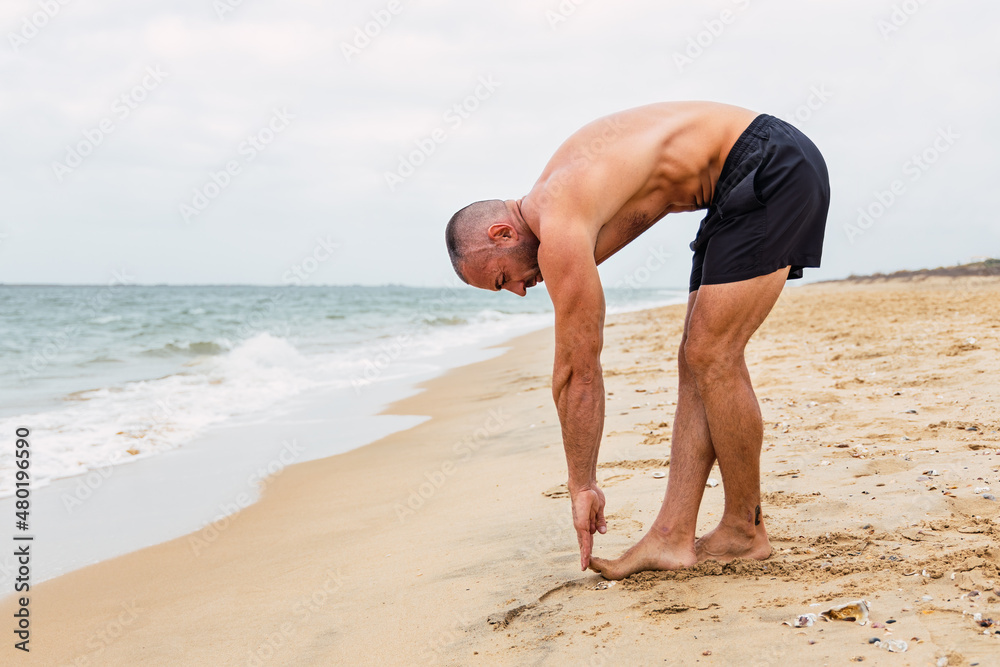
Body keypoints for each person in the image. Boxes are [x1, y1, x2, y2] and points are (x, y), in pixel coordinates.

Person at [444, 101, 830, 580]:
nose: (522, 290)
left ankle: (744, 530)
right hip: (737, 184)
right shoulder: (557, 197)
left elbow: (577, 371)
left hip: (768, 163)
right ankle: (672, 536)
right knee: (697, 360)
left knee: (713, 353)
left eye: (504, 280)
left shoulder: (558, 222)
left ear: (502, 234)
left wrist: (581, 484)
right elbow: (651, 201)